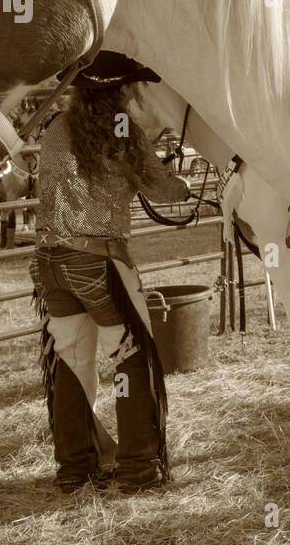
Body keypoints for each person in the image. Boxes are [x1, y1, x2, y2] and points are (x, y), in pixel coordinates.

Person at [29, 52, 191, 494]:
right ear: (121, 89)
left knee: (71, 361)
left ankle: (74, 469)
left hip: (51, 262)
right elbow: (161, 188)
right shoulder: (122, 130)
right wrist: (184, 183)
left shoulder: (56, 130)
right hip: (98, 262)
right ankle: (138, 468)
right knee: (132, 358)